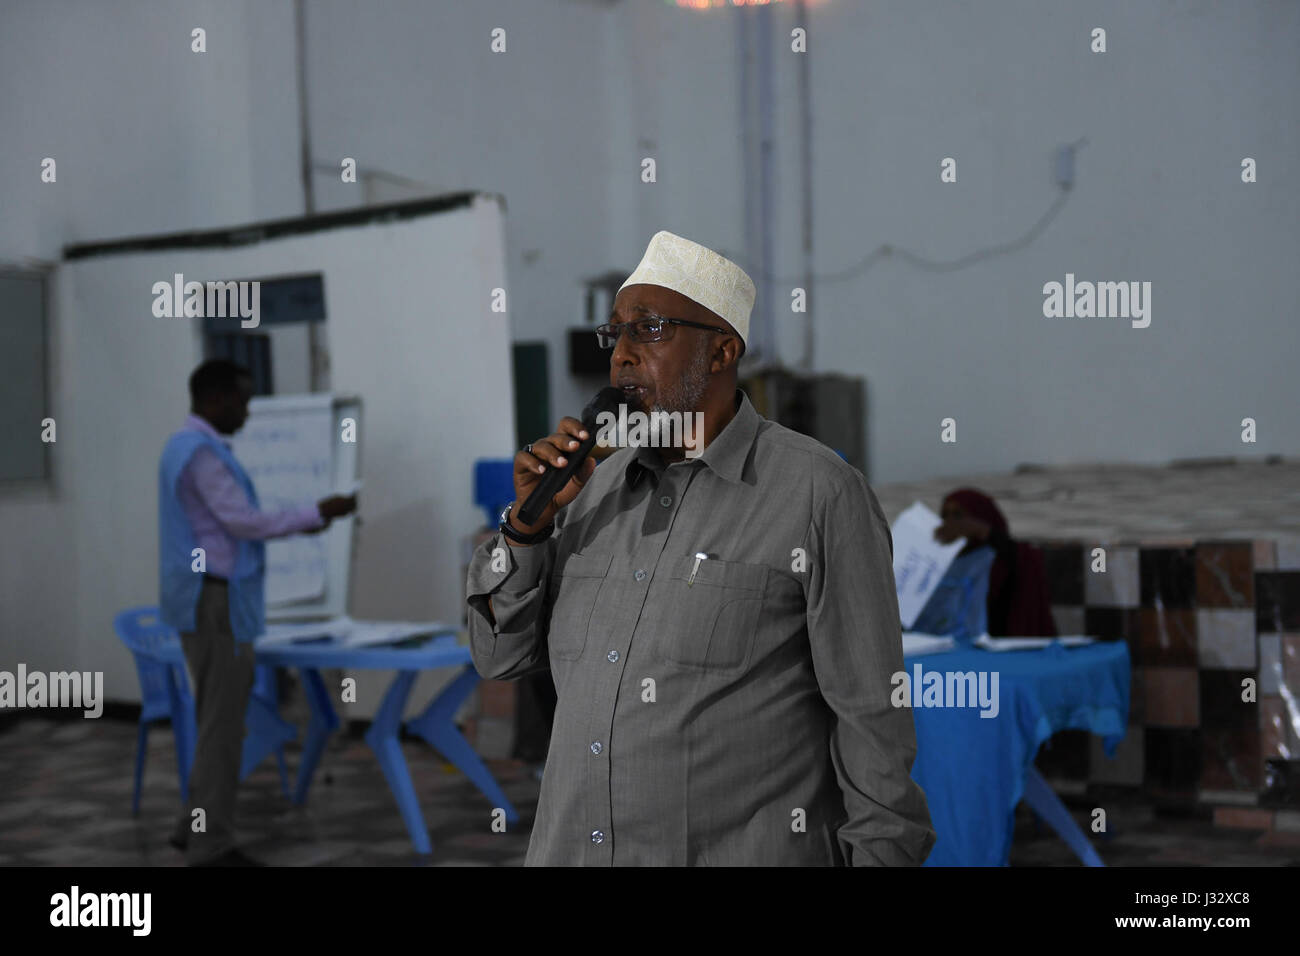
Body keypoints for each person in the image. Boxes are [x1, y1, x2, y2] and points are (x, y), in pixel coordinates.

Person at [466, 230, 936, 865]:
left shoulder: (817, 494)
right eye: (615, 335)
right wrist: (527, 528)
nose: (622, 356)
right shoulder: (589, 488)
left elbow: (872, 722)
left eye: (649, 330)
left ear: (722, 351)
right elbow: (498, 658)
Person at [159, 359, 357, 866]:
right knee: (222, 729)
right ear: (217, 399)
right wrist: (318, 513)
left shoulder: (185, 448)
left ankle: (192, 825)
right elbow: (243, 523)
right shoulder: (199, 453)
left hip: (209, 599)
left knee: (215, 722)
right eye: (243, 401)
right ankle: (211, 845)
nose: (247, 413)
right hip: (214, 603)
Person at [932, 488, 1057, 637]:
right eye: (945, 515)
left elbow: (1014, 554)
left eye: (958, 515)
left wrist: (980, 530)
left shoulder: (1006, 555)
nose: (950, 521)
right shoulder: (949, 561)